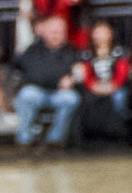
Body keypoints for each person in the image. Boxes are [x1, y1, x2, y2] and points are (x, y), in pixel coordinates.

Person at [9, 13, 82, 150]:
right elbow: (34, 76)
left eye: (60, 32)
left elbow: (79, 73)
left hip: (59, 94)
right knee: (26, 94)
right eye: (53, 32)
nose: (56, 35)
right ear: (44, 32)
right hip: (38, 92)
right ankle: (25, 139)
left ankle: (55, 139)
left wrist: (72, 79)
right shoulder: (33, 50)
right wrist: (58, 80)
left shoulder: (71, 51)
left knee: (71, 98)